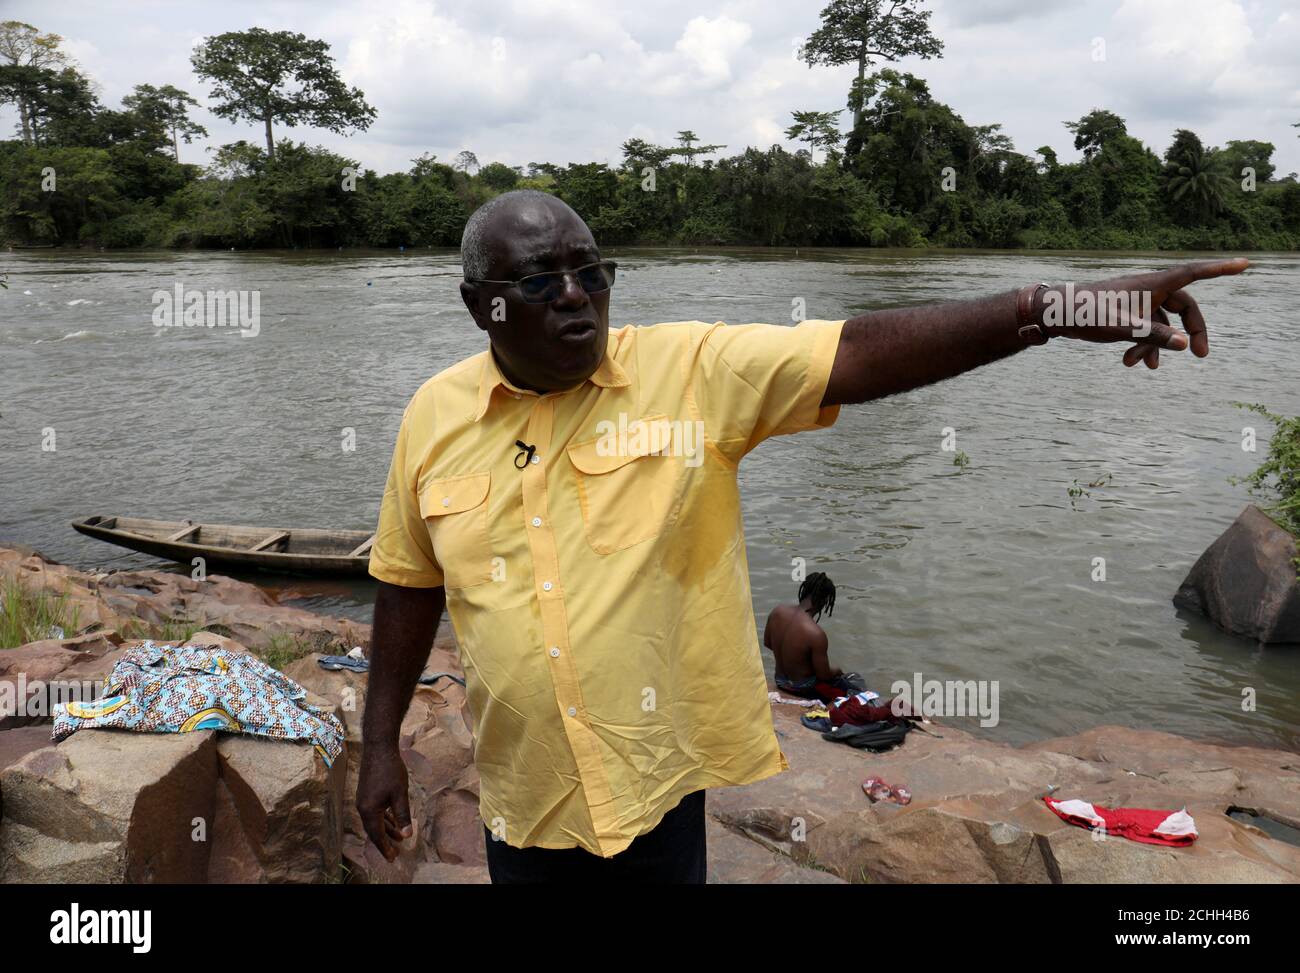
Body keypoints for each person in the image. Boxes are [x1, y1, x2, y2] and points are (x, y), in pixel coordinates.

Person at [356, 188, 1248, 884]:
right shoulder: (433, 417)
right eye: (541, 283)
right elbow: (408, 582)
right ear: (482, 306)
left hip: (657, 786)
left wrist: (1056, 306)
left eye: (594, 272)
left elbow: (860, 351)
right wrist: (381, 741)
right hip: (525, 796)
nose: (578, 298)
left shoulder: (692, 372)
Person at [764, 573, 863, 702]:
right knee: (856, 689)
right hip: (803, 689)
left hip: (780, 682)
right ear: (824, 601)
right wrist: (837, 670)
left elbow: (767, 643)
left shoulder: (777, 612)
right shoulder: (816, 634)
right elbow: (824, 675)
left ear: (805, 590)